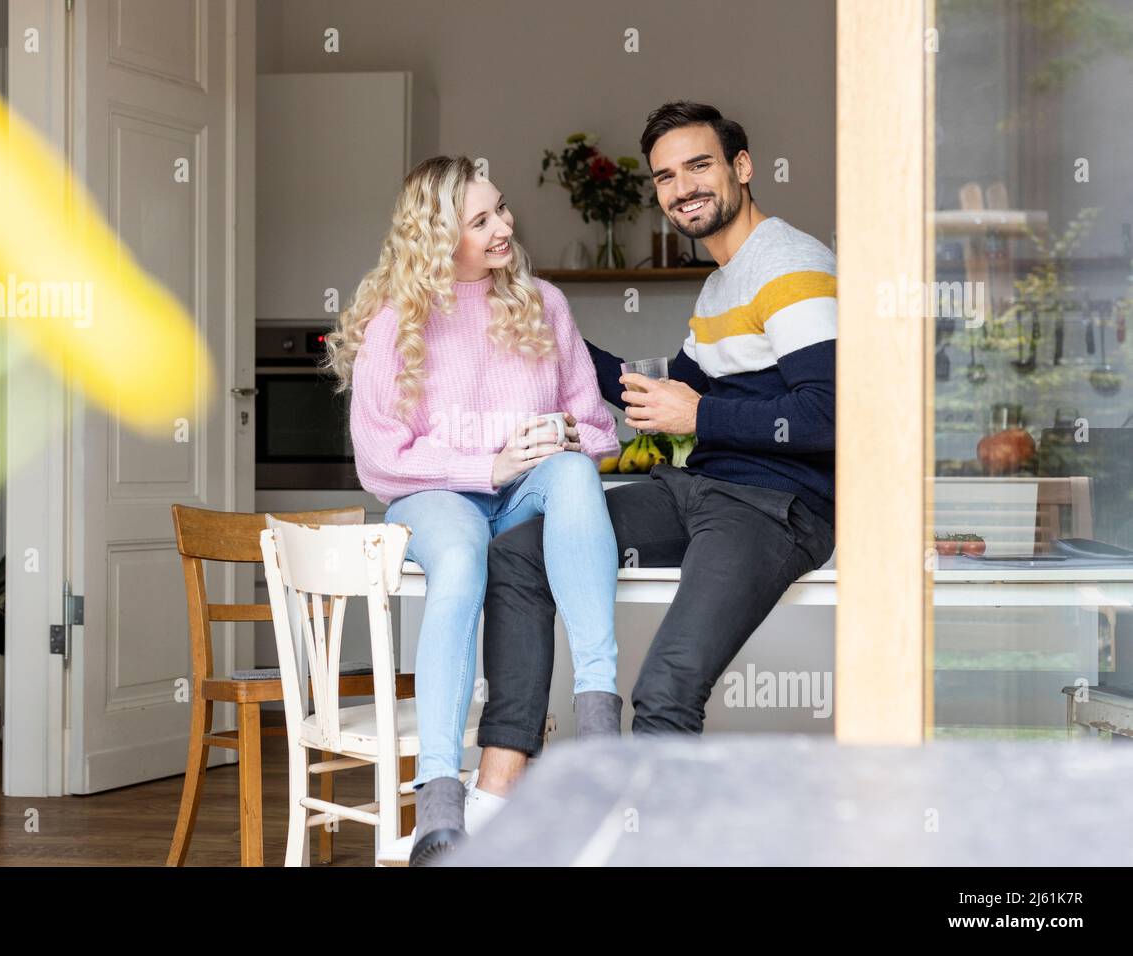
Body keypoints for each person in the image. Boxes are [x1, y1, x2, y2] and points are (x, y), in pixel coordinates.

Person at [472, 102, 838, 822]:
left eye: (699, 166)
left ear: (742, 167)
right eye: (665, 176)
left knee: (666, 691)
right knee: (519, 553)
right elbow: (665, 392)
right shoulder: (721, 284)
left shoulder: (791, 265)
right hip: (698, 489)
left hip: (775, 508)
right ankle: (502, 779)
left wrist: (699, 416)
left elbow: (830, 415)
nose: (682, 187)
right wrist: (549, 327)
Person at [326, 155, 623, 866]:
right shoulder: (396, 322)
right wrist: (484, 466)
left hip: (524, 493)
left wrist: (566, 435)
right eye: (480, 220)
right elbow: (381, 459)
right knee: (460, 562)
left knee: (573, 472)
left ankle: (599, 718)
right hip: (437, 497)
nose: (504, 227)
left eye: (502, 209)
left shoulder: (545, 304)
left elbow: (602, 431)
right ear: (437, 237)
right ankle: (439, 798)